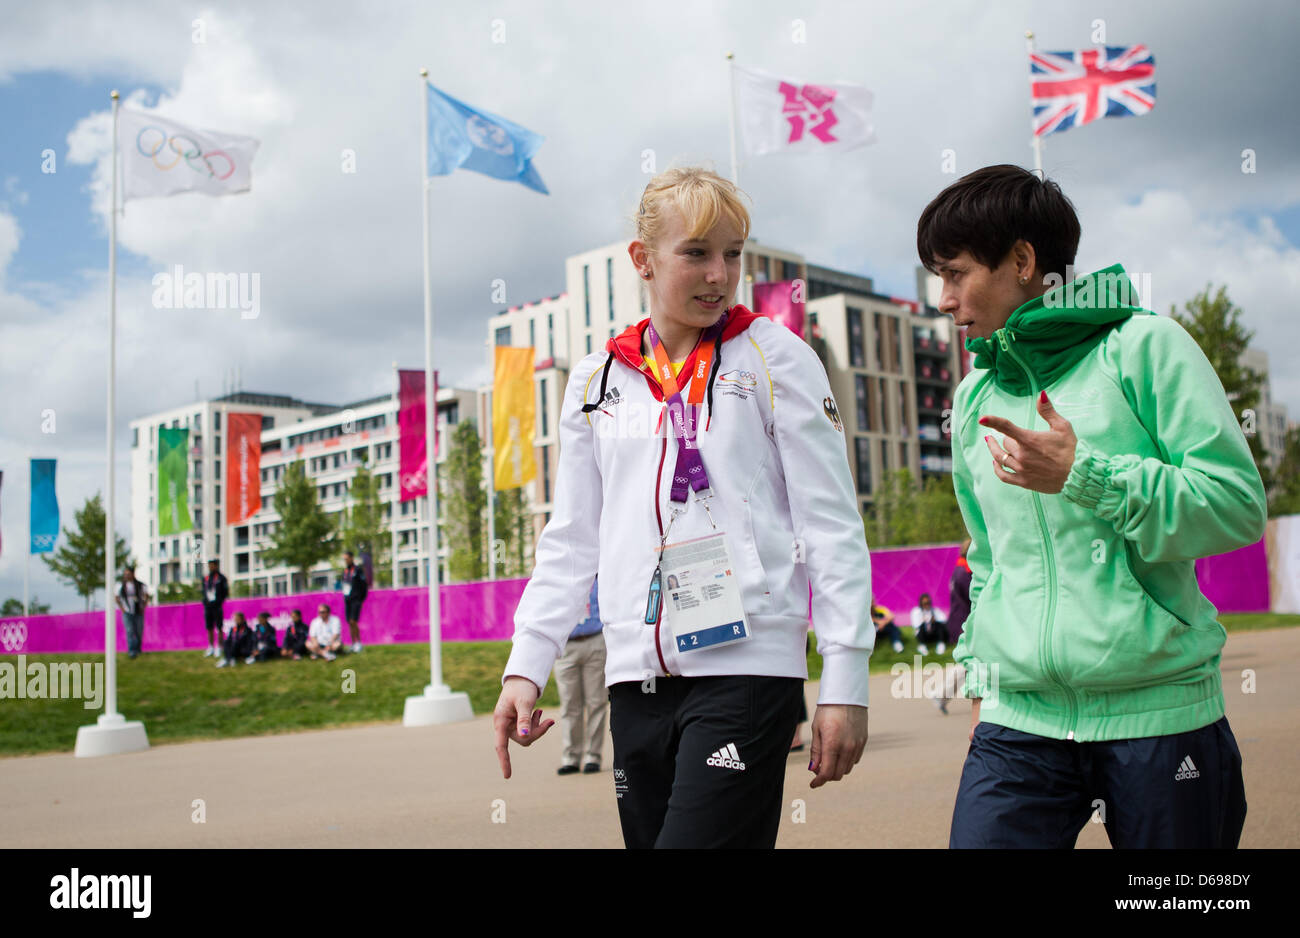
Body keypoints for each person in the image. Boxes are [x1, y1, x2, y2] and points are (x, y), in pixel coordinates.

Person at [493, 166, 874, 849]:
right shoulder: (595, 379)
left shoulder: (775, 357)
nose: (719, 274)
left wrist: (846, 681)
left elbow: (831, 524)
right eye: (696, 253)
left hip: (749, 669)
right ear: (643, 259)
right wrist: (527, 663)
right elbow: (573, 536)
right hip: (634, 676)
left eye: (733, 254)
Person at [918, 164, 1265, 848]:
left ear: (1022, 262)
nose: (943, 296)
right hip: (1019, 728)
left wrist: (1088, 475)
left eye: (956, 273)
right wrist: (989, 682)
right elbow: (989, 560)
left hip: (1162, 719)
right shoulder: (971, 399)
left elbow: (1236, 505)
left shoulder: (1145, 347)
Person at [554, 579, 608, 775]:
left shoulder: (599, 574)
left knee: (596, 701)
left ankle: (593, 756)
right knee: (570, 704)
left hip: (595, 640)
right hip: (566, 645)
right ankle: (571, 756)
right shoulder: (560, 575)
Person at [116, 565, 150, 659]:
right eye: (125, 574)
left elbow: (147, 595)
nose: (126, 575)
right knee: (129, 631)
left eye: (128, 573)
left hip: (138, 612)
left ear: (133, 574)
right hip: (127, 612)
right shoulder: (121, 586)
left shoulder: (140, 585)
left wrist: (143, 606)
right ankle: (132, 651)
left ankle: (138, 649)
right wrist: (122, 609)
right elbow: (117, 598)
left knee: (139, 631)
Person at [340, 550, 368, 654]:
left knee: (353, 621)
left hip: (356, 600)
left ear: (351, 558)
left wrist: (361, 600)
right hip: (348, 600)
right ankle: (353, 643)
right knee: (349, 622)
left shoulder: (357, 570)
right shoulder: (345, 571)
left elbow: (364, 586)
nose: (346, 561)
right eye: (344, 559)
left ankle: (359, 643)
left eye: (347, 559)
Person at [200, 559, 229, 658]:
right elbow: (203, 591)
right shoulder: (206, 578)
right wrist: (205, 600)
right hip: (208, 606)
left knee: (219, 627)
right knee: (209, 627)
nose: (211, 567)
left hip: (217, 606)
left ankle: (219, 646)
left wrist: (219, 601)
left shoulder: (221, 578)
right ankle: (211, 646)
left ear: (216, 566)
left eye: (213, 565)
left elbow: (225, 592)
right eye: (209, 565)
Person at [946, 538, 972, 646]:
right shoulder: (964, 572)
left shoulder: (958, 569)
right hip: (962, 625)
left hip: (956, 622)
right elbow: (971, 597)